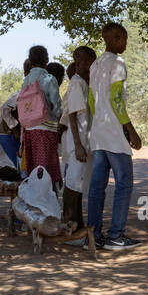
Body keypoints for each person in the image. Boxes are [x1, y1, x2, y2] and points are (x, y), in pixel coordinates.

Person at [86, 22, 142, 250]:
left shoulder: (95, 65)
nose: (126, 44)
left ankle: (94, 234)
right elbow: (116, 99)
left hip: (98, 133)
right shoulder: (117, 63)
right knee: (124, 183)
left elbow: (91, 101)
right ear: (115, 39)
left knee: (97, 186)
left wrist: (98, 122)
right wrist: (130, 129)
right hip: (113, 133)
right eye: (124, 39)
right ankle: (116, 236)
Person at [59, 46, 96, 232]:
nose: (90, 65)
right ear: (80, 62)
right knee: (73, 184)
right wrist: (78, 145)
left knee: (79, 183)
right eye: (88, 62)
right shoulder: (76, 82)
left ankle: (76, 224)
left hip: (83, 140)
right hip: (78, 142)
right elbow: (73, 116)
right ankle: (69, 225)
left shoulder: (83, 82)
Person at [18, 46, 63, 185]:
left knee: (35, 169)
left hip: (30, 130)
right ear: (46, 59)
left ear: (30, 61)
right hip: (46, 129)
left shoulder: (27, 80)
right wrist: (57, 119)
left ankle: (34, 198)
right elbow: (56, 105)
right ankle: (47, 200)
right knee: (47, 169)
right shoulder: (49, 78)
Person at [0, 60, 32, 169]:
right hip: (8, 134)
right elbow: (4, 109)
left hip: (16, 135)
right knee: (20, 167)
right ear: (26, 72)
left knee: (22, 167)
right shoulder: (20, 94)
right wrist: (15, 128)